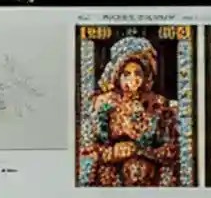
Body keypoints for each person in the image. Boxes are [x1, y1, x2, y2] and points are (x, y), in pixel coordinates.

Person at [78, 36, 182, 187]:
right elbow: (87, 149)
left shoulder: (159, 104)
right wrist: (113, 153)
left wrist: (142, 151)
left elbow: (173, 150)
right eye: (126, 74)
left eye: (138, 73)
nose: (133, 79)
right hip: (112, 179)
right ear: (117, 76)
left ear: (146, 76)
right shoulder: (104, 103)